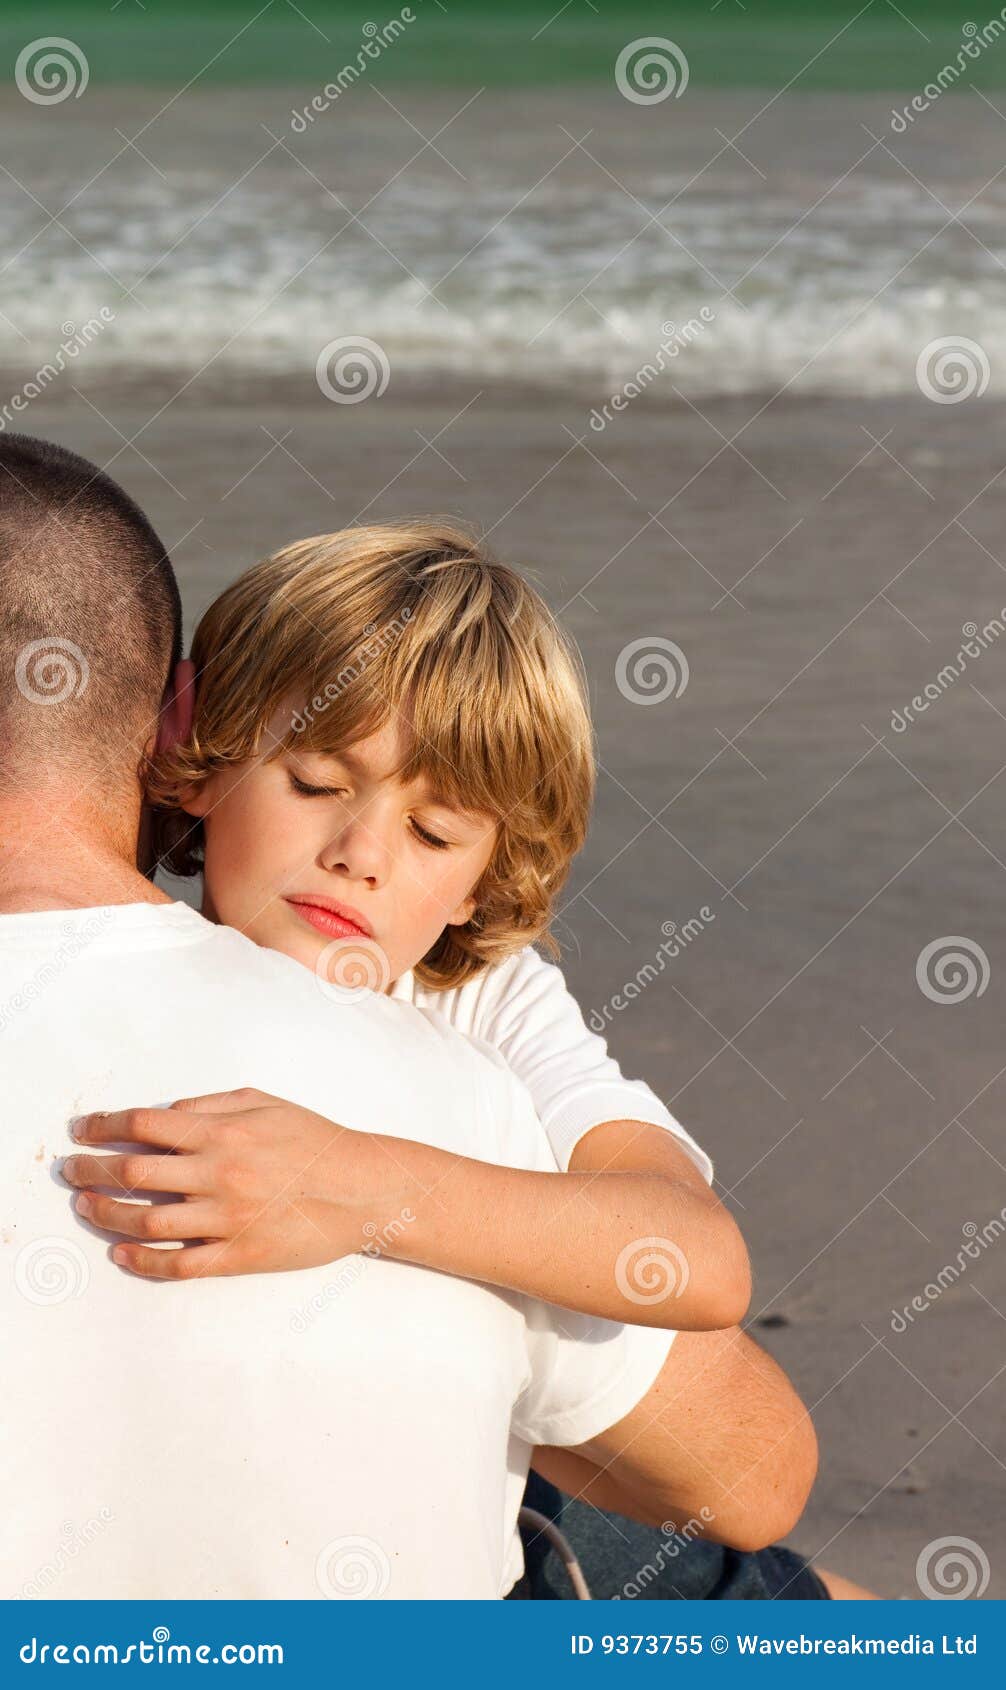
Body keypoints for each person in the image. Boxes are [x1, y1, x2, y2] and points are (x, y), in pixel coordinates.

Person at [0, 432, 816, 1602]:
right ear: (196, 746)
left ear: (486, 878)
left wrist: (370, 1188)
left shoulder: (474, 1003)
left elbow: (693, 1257)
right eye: (319, 784)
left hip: (548, 1455)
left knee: (673, 1557)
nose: (359, 856)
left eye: (434, 836)